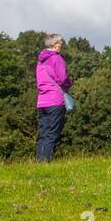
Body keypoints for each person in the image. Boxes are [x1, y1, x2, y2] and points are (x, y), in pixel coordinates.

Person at [35, 33, 73, 162]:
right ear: (53, 44)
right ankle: (46, 161)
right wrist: (70, 83)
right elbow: (63, 78)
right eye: (59, 43)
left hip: (41, 102)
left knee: (43, 133)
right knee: (53, 133)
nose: (60, 46)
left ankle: (39, 161)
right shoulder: (57, 59)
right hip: (55, 100)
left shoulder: (40, 61)